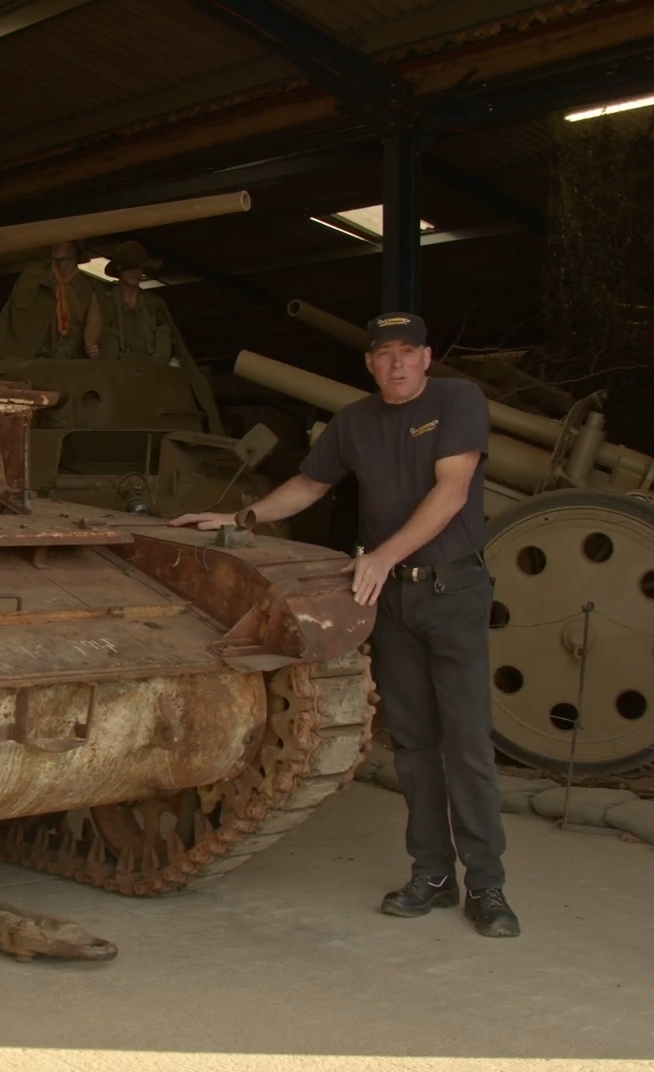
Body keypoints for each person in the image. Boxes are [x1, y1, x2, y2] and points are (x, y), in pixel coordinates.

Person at [171, 312, 518, 938]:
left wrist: (385, 554)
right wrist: (238, 518)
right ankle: (432, 875)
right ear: (370, 364)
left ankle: (487, 887)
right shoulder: (354, 422)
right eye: (385, 354)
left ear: (427, 356)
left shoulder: (458, 401)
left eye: (408, 352)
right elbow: (308, 483)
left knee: (467, 742)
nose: (397, 364)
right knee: (412, 742)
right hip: (389, 599)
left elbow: (452, 490)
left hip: (452, 590)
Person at [84, 240, 224, 435]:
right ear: (119, 270)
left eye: (139, 268)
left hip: (152, 381)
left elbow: (178, 347)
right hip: (117, 383)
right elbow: (91, 341)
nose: (135, 273)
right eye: (129, 268)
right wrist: (93, 348)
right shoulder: (103, 302)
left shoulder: (154, 304)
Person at [0, 243, 101, 374]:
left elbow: (93, 327)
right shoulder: (32, 278)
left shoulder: (89, 287)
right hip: (30, 362)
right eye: (55, 241)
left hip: (67, 365)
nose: (55, 245)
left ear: (76, 248)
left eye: (63, 241)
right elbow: (10, 320)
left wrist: (92, 348)